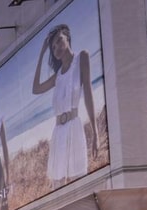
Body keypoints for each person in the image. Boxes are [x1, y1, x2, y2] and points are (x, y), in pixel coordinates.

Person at [33, 24, 98, 189]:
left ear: (67, 38)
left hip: (74, 126)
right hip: (58, 133)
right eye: (53, 47)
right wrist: (41, 53)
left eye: (59, 41)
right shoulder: (57, 76)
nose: (56, 49)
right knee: (58, 186)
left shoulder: (81, 57)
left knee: (79, 181)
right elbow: (36, 89)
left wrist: (95, 132)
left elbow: (88, 94)